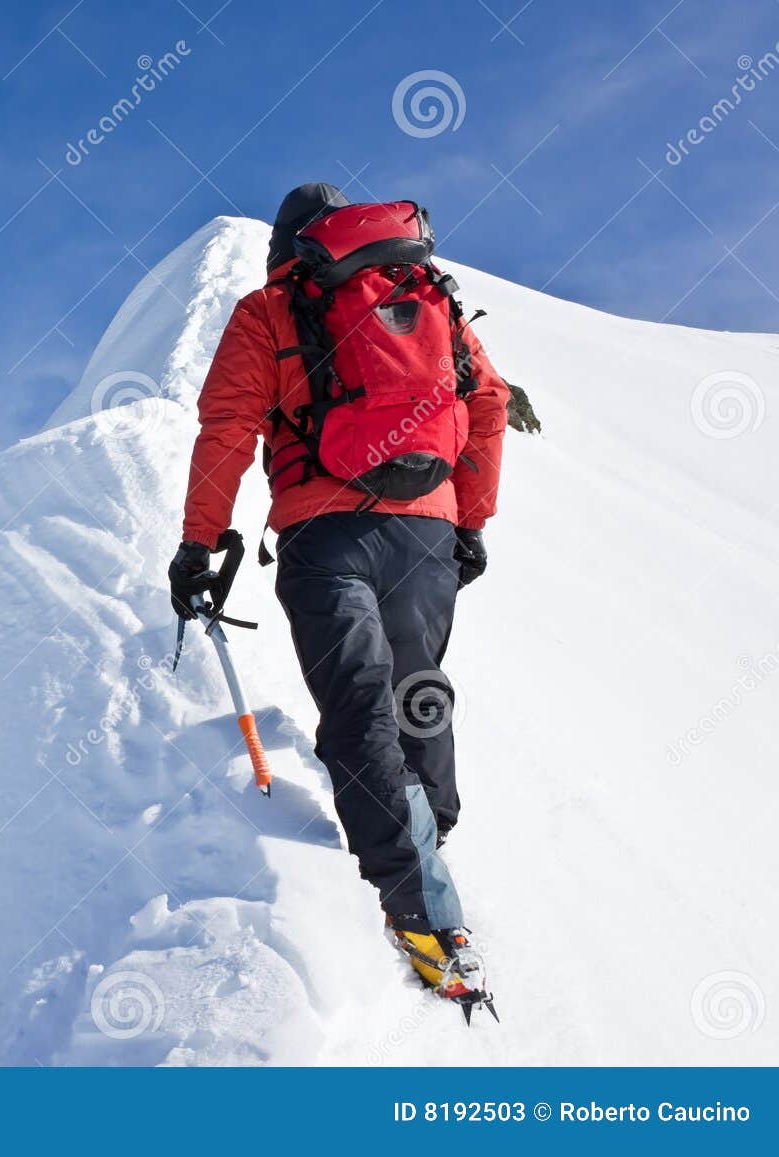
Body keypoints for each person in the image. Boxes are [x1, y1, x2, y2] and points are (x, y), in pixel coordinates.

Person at [168, 183, 509, 1019]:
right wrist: (469, 519)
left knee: (358, 703)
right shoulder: (420, 295)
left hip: (327, 533)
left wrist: (198, 543)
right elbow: (488, 401)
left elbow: (227, 427)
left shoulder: (272, 309)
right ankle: (429, 834)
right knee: (415, 689)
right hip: (427, 532)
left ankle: (424, 911)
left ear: (284, 247)